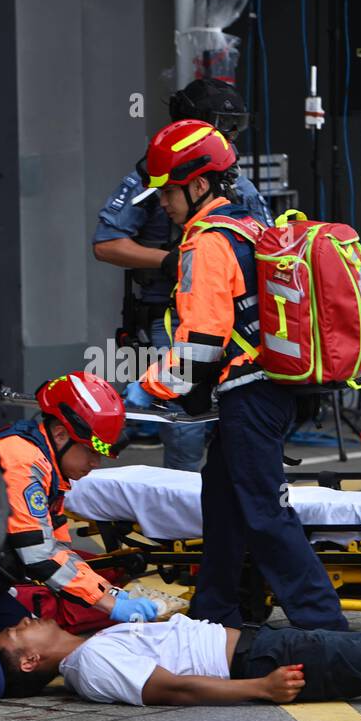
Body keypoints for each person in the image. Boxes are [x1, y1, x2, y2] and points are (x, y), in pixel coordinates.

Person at [127, 119, 347, 632]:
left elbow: (202, 342)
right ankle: (215, 613)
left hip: (250, 393)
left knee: (266, 514)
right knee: (223, 502)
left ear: (199, 185)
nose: (162, 203)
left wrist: (143, 396)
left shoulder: (205, 244)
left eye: (168, 192)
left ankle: (326, 629)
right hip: (264, 390)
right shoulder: (247, 225)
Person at [92, 79, 271, 472]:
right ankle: (186, 507)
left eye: (234, 126)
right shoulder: (156, 175)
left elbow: (268, 247)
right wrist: (166, 261)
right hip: (170, 313)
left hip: (233, 325)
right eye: (222, 124)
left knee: (228, 431)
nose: (230, 136)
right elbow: (106, 244)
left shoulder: (232, 182)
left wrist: (139, 394)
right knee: (185, 428)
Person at [0, 614, 361, 708]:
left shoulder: (91, 651)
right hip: (260, 660)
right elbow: (173, 689)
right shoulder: (92, 665)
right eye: (18, 633)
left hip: (263, 646)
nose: (24, 622)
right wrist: (262, 688)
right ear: (30, 660)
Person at [0, 371, 159, 622]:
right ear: (60, 435)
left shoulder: (47, 465)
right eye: (91, 450)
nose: (95, 463)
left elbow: (57, 548)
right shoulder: (23, 462)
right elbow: (40, 554)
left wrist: (107, 591)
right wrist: (109, 605)